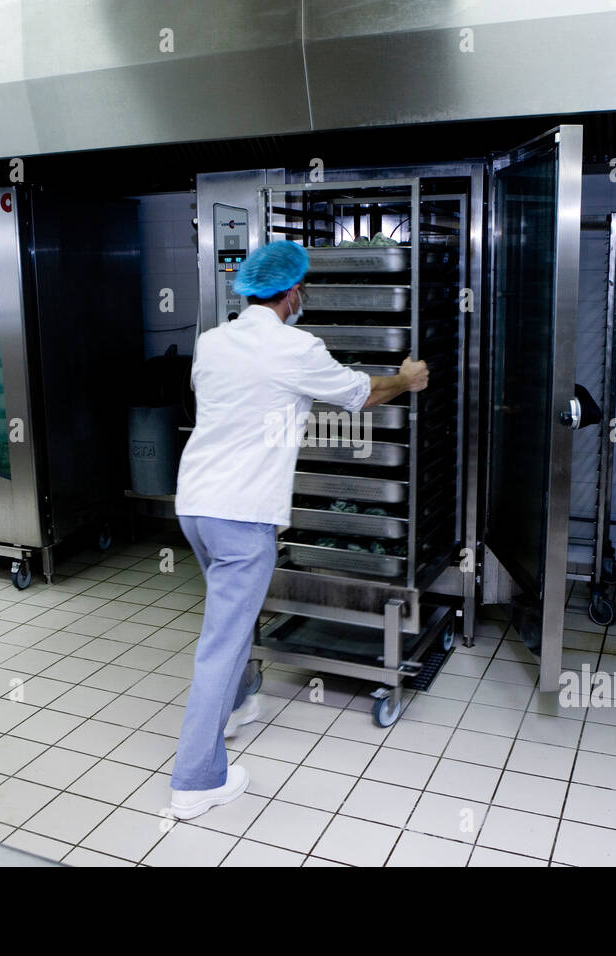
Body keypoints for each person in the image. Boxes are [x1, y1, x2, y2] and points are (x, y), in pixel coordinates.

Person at [169, 240, 429, 819]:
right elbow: (362, 393)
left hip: (195, 505)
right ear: (291, 294)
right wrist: (406, 378)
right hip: (242, 515)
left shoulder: (211, 341)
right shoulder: (294, 346)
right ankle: (195, 780)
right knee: (222, 642)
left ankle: (235, 707)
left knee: (228, 622)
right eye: (302, 290)